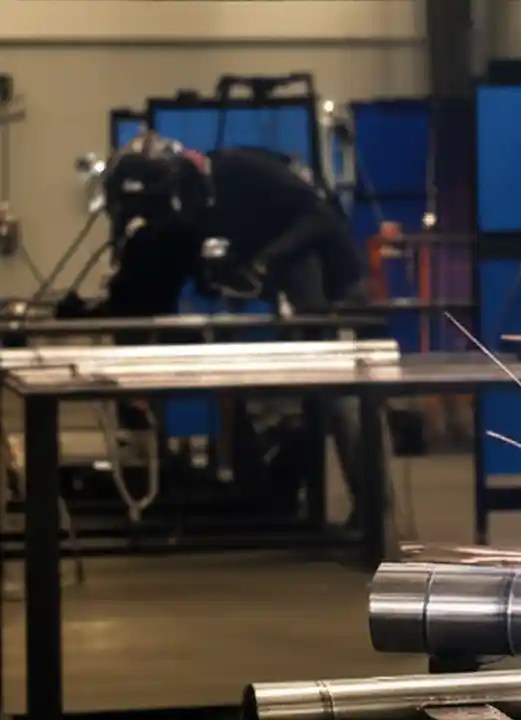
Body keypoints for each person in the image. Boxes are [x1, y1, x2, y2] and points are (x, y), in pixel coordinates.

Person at [59, 131, 375, 528]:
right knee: (263, 394)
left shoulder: (243, 169)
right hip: (272, 291)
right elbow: (149, 288)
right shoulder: (182, 214)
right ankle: (275, 500)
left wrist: (265, 261)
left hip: (329, 280)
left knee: (339, 394)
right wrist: (95, 312)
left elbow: (321, 218)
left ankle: (372, 514)